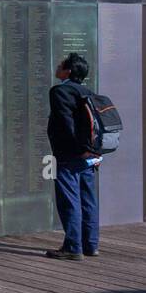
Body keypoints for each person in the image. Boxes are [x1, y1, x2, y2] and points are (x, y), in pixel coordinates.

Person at [45, 53, 102, 260]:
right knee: (88, 199)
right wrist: (91, 150)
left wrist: (79, 149)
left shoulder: (60, 91)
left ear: (68, 71)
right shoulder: (88, 93)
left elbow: (65, 123)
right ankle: (91, 245)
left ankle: (73, 247)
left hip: (70, 155)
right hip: (90, 155)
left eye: (61, 65)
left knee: (69, 200)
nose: (57, 67)